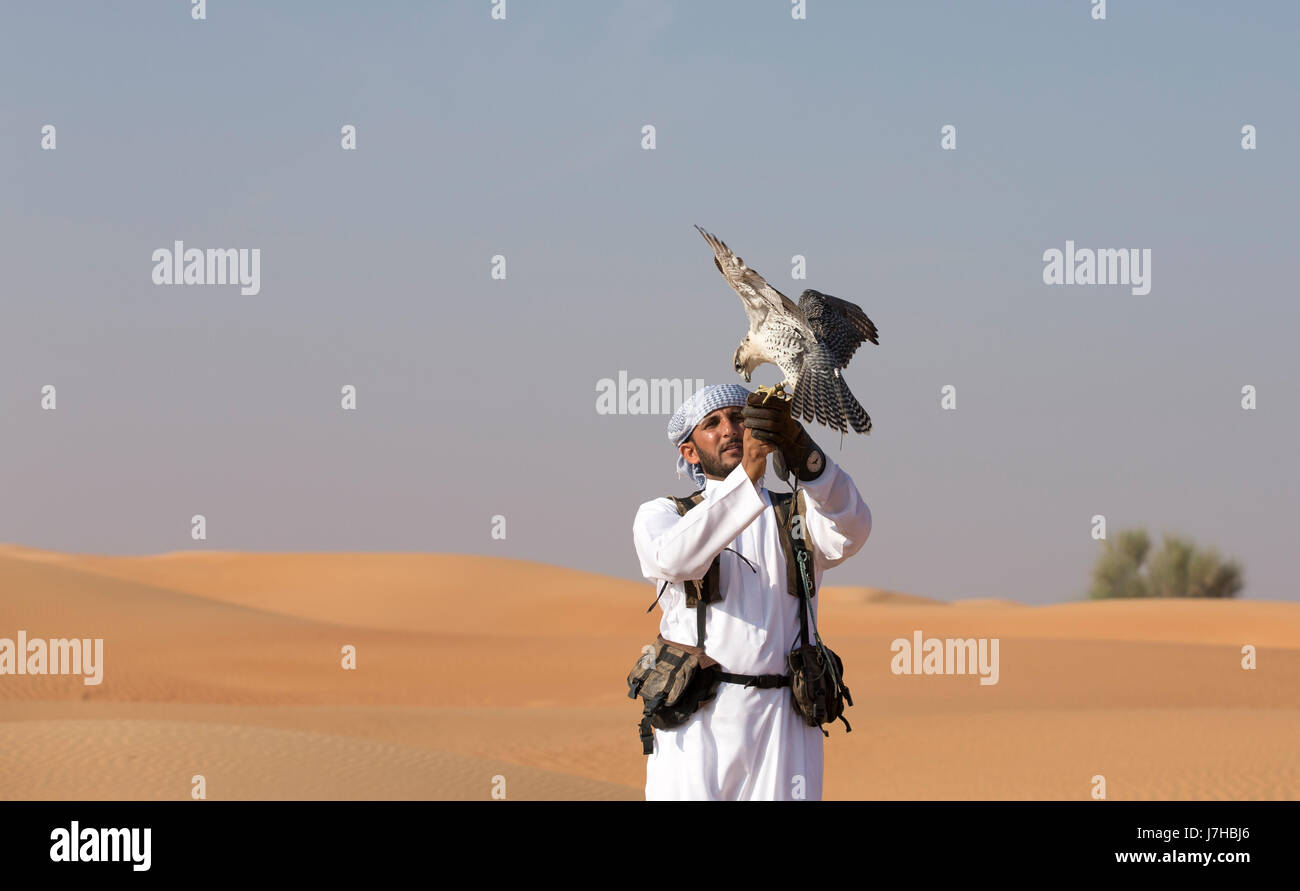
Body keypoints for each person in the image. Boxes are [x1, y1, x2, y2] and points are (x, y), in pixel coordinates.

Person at [631, 382, 872, 800]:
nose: (730, 429)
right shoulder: (665, 514)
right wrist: (749, 476)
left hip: (785, 722)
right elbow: (674, 559)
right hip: (698, 719)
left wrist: (811, 463)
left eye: (740, 417)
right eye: (713, 423)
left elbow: (853, 529)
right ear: (689, 451)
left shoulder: (797, 514)